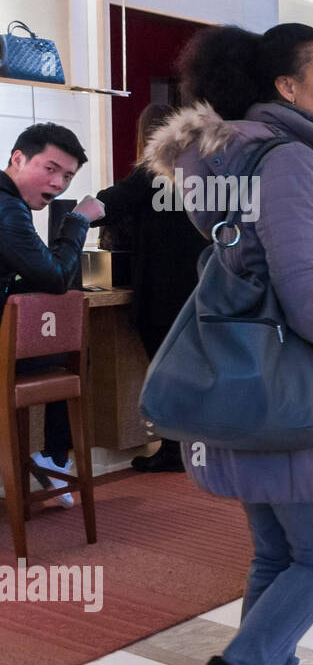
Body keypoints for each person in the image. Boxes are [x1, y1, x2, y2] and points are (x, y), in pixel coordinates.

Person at [149, 23, 313, 665]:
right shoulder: (288, 161)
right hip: (293, 390)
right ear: (286, 87)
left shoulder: (229, 158)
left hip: (244, 383)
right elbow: (311, 295)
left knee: (278, 553)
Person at [95, 104, 210, 473]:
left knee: (165, 373)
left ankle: (174, 449)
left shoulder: (151, 170)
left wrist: (77, 215)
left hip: (162, 287)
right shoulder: (201, 170)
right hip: (202, 285)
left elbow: (110, 204)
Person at [0, 123, 102, 506]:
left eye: (68, 176)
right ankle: (53, 457)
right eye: (51, 168)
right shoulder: (7, 208)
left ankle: (45, 457)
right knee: (72, 354)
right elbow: (57, 276)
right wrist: (78, 220)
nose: (59, 183)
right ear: (18, 158)